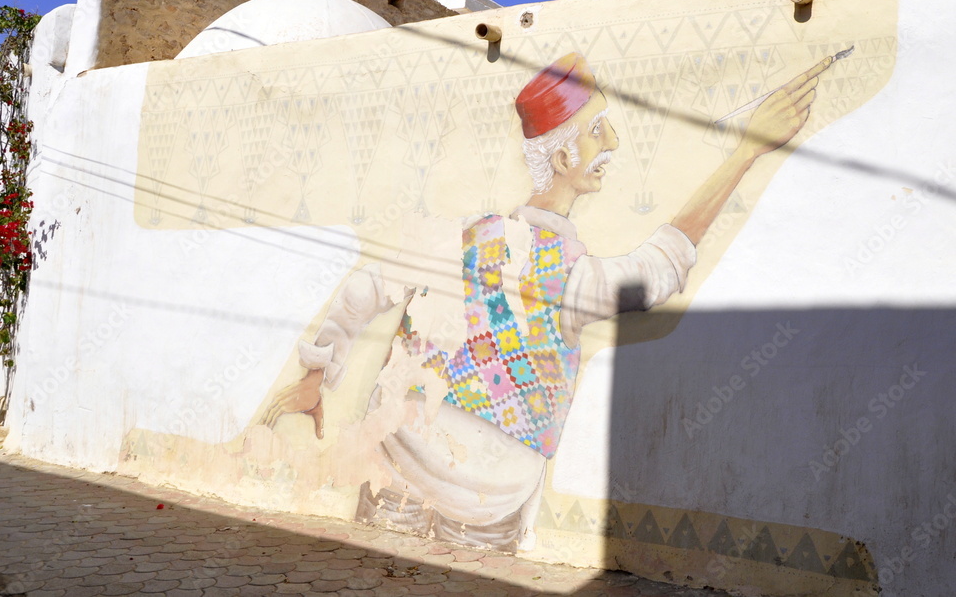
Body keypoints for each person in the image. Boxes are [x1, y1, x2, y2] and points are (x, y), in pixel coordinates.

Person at [261, 51, 832, 551]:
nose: (613, 143)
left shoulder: (454, 238)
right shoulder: (573, 280)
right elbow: (660, 268)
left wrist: (318, 375)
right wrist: (745, 154)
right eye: (599, 130)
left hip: (398, 464)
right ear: (562, 160)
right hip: (488, 499)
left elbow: (364, 290)